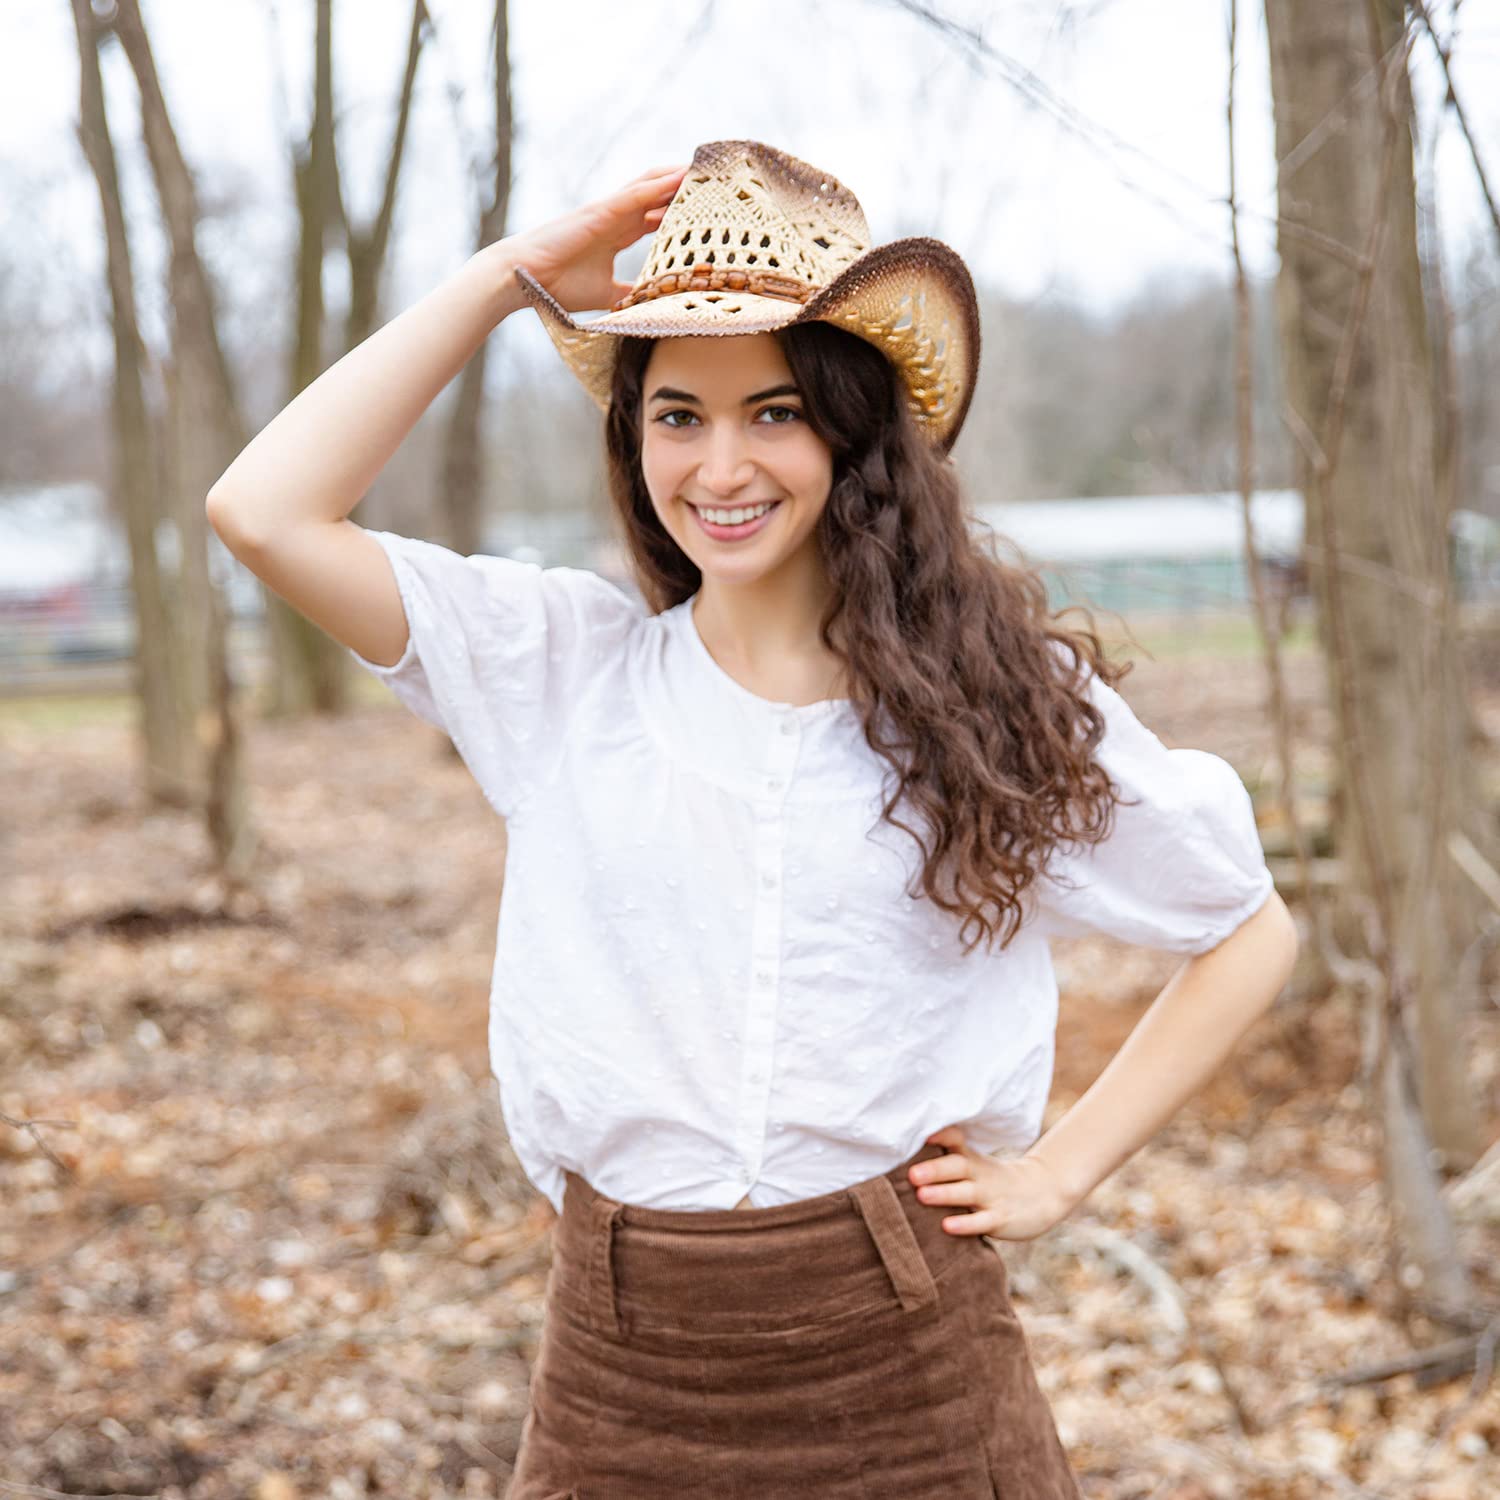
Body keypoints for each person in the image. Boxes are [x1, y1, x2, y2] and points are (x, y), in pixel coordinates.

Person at [207, 139, 1300, 1499]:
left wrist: (1063, 1173)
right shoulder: (560, 673)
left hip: (911, 1360)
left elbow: (1248, 930)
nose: (721, 465)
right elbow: (260, 510)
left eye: (774, 411)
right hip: (624, 1365)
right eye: (678, 415)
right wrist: (509, 281)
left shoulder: (993, 704)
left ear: (853, 435)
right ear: (635, 436)